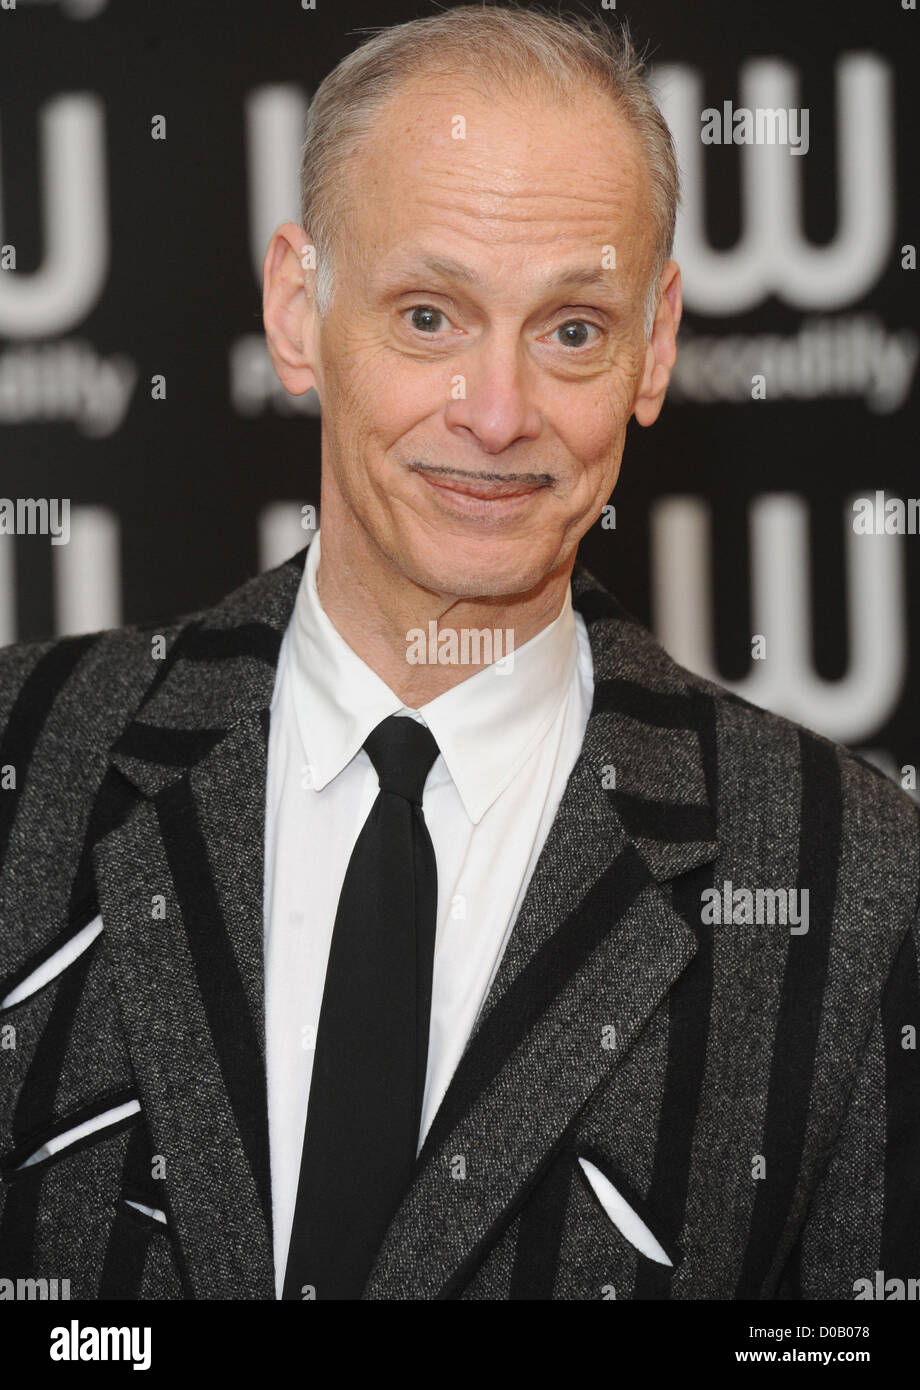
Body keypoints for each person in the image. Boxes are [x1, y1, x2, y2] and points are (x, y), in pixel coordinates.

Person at [0, 5, 917, 1301]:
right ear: (296, 306)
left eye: (573, 329)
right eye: (429, 315)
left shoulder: (850, 875)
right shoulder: (29, 766)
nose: (496, 414)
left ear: (655, 344)